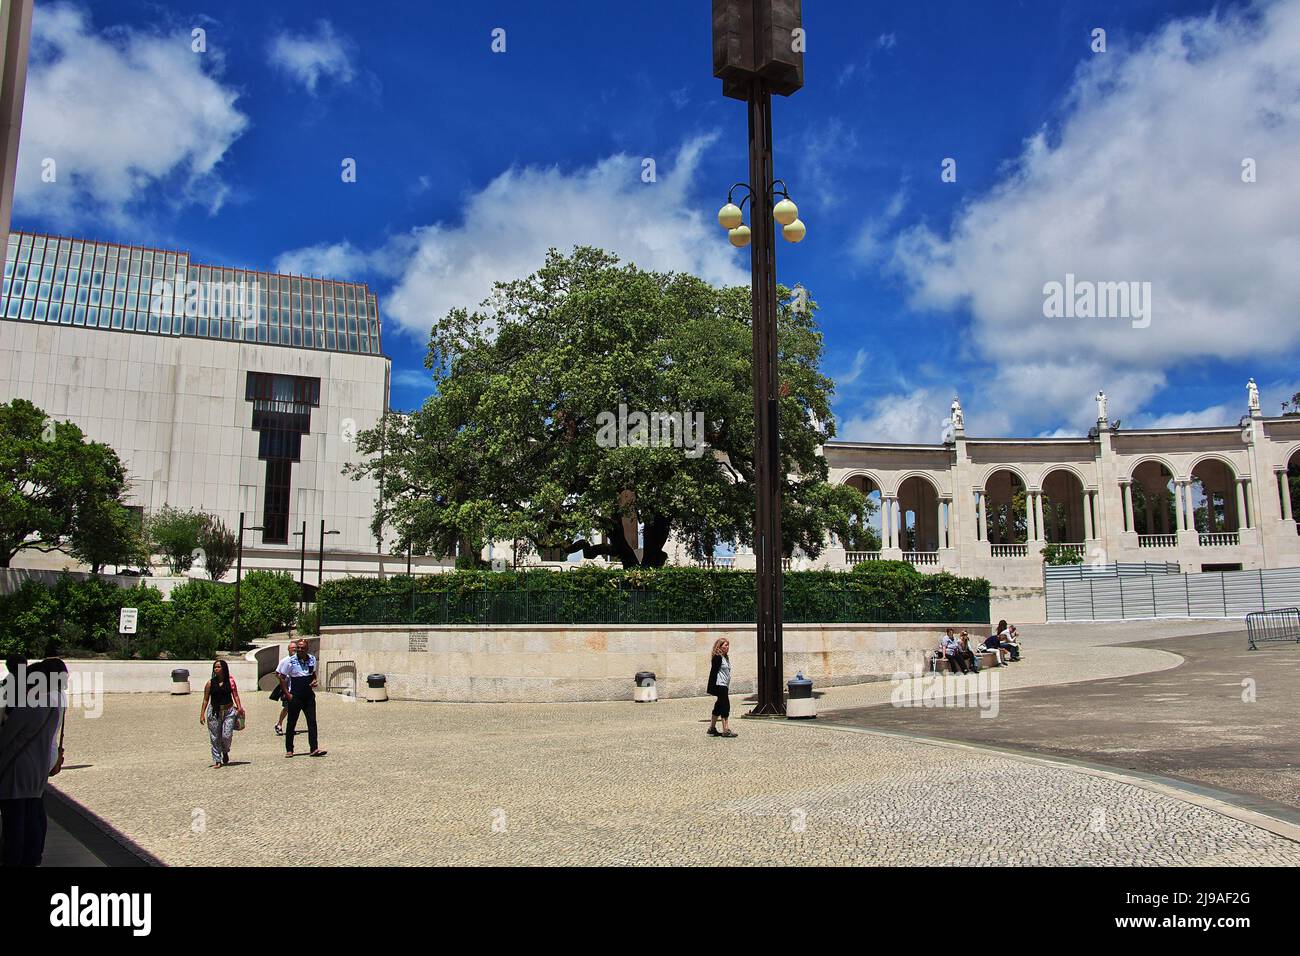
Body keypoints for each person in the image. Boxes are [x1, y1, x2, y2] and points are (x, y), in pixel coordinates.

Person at [0, 658, 66, 867]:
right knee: (32, 814)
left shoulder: (31, 704)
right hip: (38, 766)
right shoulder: (54, 704)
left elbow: (7, 737)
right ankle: (31, 857)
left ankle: (13, 859)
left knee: (15, 820)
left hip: (18, 768)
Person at [277, 641, 325, 758]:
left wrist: (314, 680)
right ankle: (289, 749)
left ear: (307, 649)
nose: (299, 650)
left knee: (312, 722)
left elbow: (312, 673)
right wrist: (287, 694)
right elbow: (280, 677)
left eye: (302, 648)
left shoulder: (312, 659)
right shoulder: (289, 661)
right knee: (291, 722)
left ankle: (314, 748)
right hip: (295, 696)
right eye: (298, 648)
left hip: (308, 696)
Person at [199, 660, 244, 768]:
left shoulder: (230, 681)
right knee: (215, 736)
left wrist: (239, 707)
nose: (216, 669)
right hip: (214, 712)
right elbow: (205, 699)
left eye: (219, 667)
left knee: (226, 735)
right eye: (215, 667)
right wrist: (202, 714)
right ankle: (217, 759)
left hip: (228, 711)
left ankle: (225, 751)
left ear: (224, 668)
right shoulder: (210, 683)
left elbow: (235, 695)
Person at [706, 638, 737, 738]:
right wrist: (712, 687)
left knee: (718, 706)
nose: (727, 647)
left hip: (725, 685)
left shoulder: (725, 658)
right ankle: (726, 730)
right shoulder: (717, 657)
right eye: (725, 645)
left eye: (728, 645)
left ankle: (712, 728)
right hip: (720, 685)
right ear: (719, 646)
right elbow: (713, 672)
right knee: (725, 706)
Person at [272, 639, 299, 736]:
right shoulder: (284, 661)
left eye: (296, 648)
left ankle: (290, 727)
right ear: (288, 649)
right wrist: (284, 681)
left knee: (294, 709)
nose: (294, 650)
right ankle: (279, 724)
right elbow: (277, 673)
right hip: (287, 688)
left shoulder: (299, 660)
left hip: (296, 687)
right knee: (287, 707)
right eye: (292, 648)